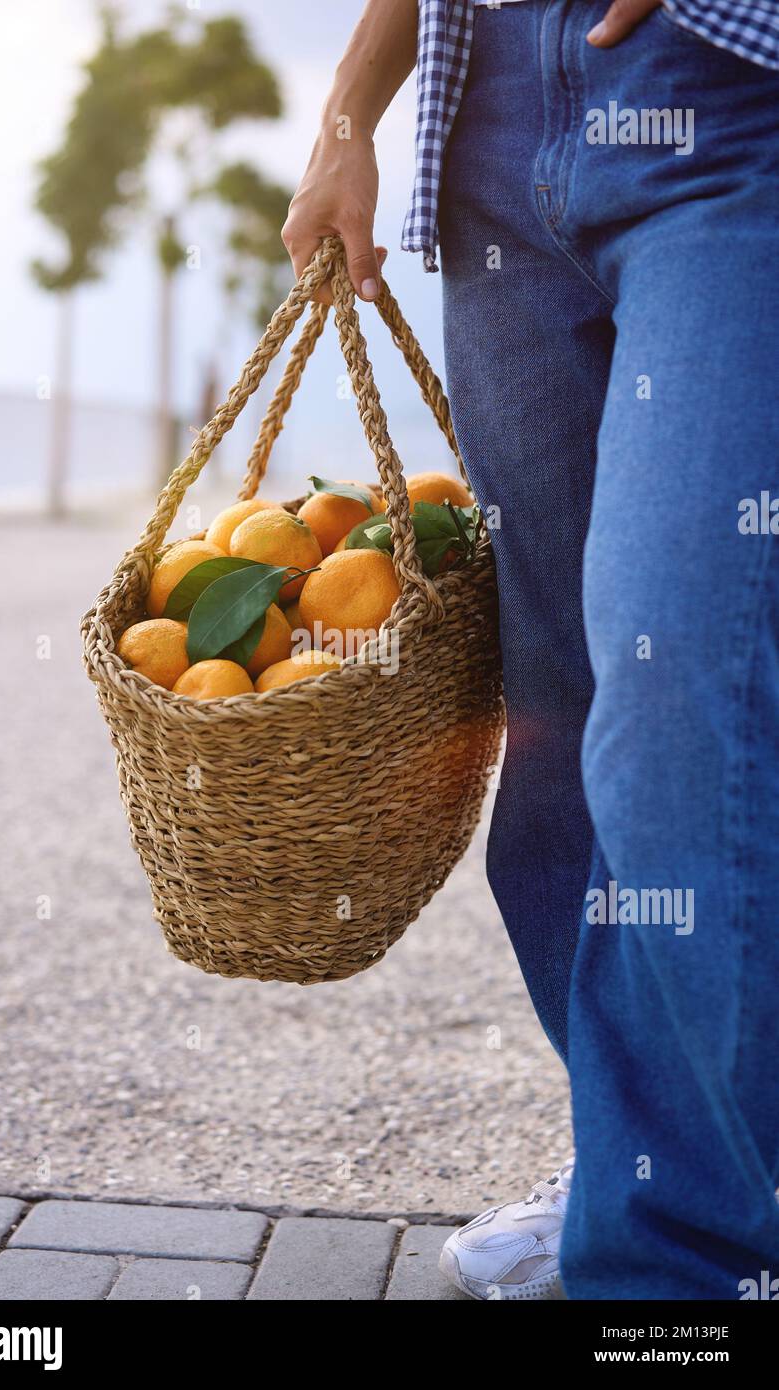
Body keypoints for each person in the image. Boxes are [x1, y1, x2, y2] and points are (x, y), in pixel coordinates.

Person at [283, 0, 779, 1301]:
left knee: (678, 691)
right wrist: (349, 114)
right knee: (551, 703)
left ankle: (684, 1268)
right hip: (490, 129)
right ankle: (646, 1156)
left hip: (724, 101)